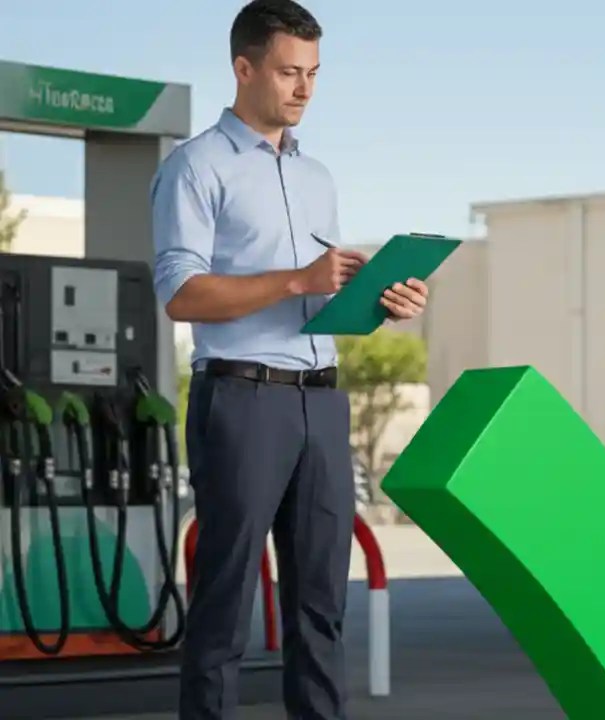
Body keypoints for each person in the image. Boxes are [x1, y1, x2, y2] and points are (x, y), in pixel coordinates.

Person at [150, 1, 429, 717]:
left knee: (321, 605)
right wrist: (299, 279)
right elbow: (181, 294)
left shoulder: (317, 178)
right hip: (241, 401)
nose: (303, 88)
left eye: (313, 73)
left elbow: (315, 302)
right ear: (243, 69)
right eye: (287, 72)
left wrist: (377, 300)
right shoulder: (195, 168)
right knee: (225, 602)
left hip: (321, 402)